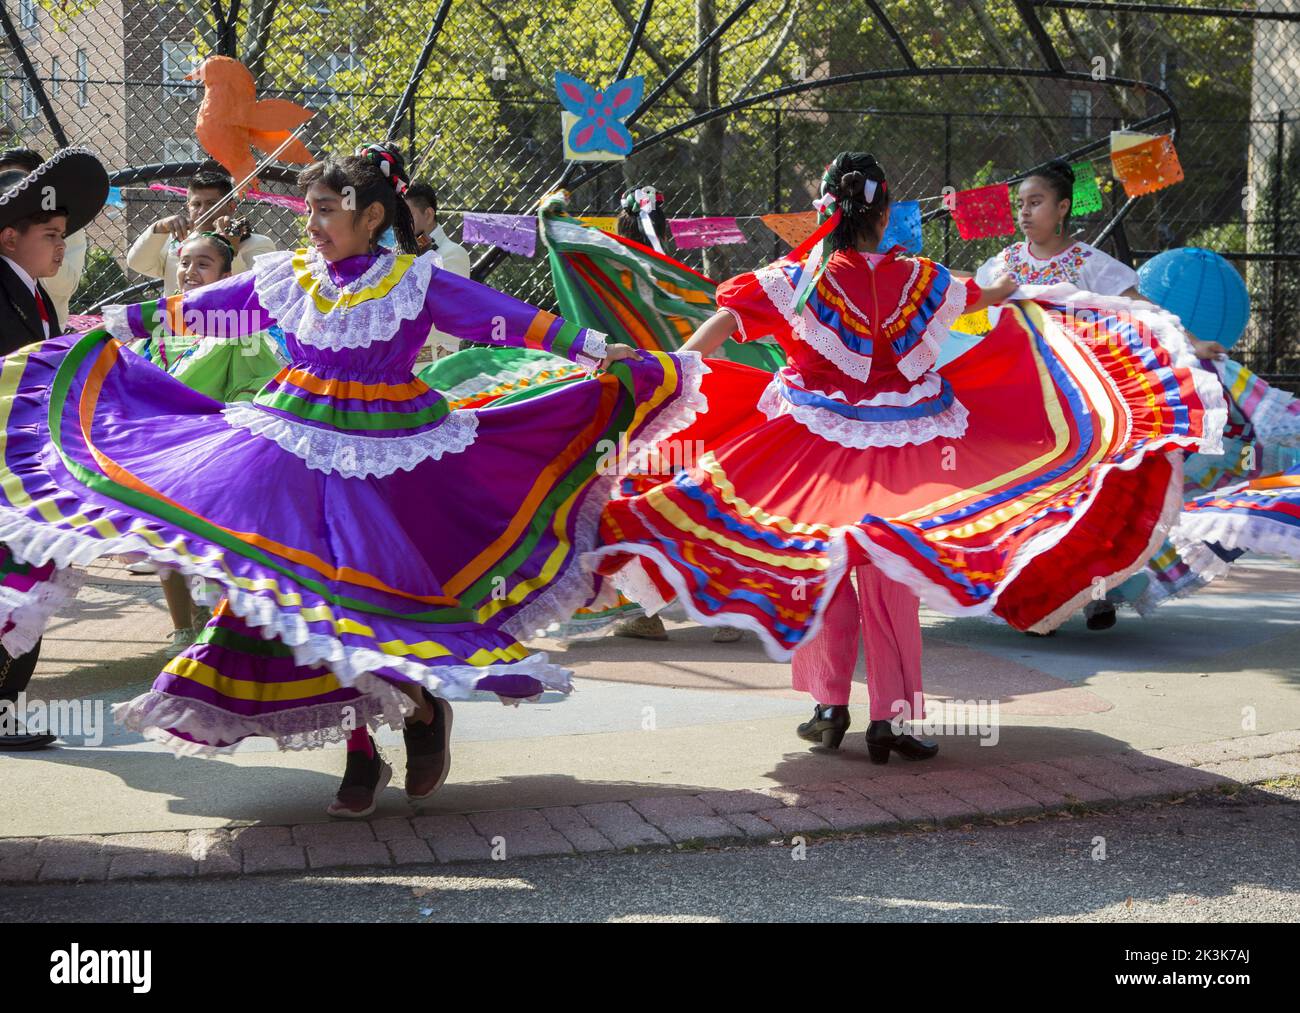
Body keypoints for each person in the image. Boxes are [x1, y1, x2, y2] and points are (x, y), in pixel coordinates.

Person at [0, 142, 704, 816]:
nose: (311, 223)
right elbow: (215, 305)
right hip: (290, 447)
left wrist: (589, 346)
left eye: (326, 210)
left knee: (367, 603)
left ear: (371, 216)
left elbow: (504, 318)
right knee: (299, 600)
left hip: (389, 459)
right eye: (307, 210)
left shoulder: (416, 281)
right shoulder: (290, 276)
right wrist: (122, 322)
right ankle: (361, 749)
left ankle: (424, 712)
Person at [584, 151, 1224, 761]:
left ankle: (830, 705)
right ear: (885, 214)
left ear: (825, 211)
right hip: (912, 448)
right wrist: (1093, 312)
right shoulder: (921, 278)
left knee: (827, 557)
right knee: (894, 568)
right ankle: (892, 719)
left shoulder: (794, 279)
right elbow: (988, 295)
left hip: (812, 447)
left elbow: (718, 329)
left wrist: (660, 366)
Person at [972, 159, 1288, 629]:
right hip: (1023, 406)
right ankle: (1040, 602)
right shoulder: (1003, 267)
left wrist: (1193, 343)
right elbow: (971, 312)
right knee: (1032, 503)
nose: (1025, 212)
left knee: (1092, 499)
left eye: (1036, 203)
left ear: (1061, 208)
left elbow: (1144, 313)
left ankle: (1099, 591)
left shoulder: (1089, 265)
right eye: (1021, 204)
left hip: (1084, 407)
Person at [128, 231, 288, 657]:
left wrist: (217, 421)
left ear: (226, 274)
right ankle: (183, 627)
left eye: (203, 264)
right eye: (184, 262)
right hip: (160, 452)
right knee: (162, 537)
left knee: (211, 546)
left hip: (212, 454)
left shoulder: (240, 330)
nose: (189, 272)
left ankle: (220, 625)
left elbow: (260, 385)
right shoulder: (160, 327)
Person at [0, 148, 109, 749]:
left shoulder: (34, 292)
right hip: (7, 464)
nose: (60, 244)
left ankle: (7, 707)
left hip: (22, 461)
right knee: (20, 582)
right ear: (9, 236)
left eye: (63, 233)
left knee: (29, 581)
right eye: (50, 233)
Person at [126, 163, 276, 297]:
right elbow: (138, 263)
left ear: (231, 207)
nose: (202, 211)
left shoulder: (258, 244)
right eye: (196, 204)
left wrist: (231, 248)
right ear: (188, 207)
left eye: (211, 203)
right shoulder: (176, 238)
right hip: (178, 325)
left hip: (232, 325)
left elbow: (256, 289)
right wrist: (159, 228)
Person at [0, 147, 87, 325]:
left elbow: (65, 286)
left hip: (45, 331)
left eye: (20, 183)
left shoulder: (63, 226)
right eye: (3, 183)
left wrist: (44, 242)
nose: (11, 194)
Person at [404, 181, 471, 365]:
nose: (400, 224)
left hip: (434, 366)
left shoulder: (453, 254)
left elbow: (443, 312)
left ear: (428, 214)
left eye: (406, 216)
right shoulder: (400, 254)